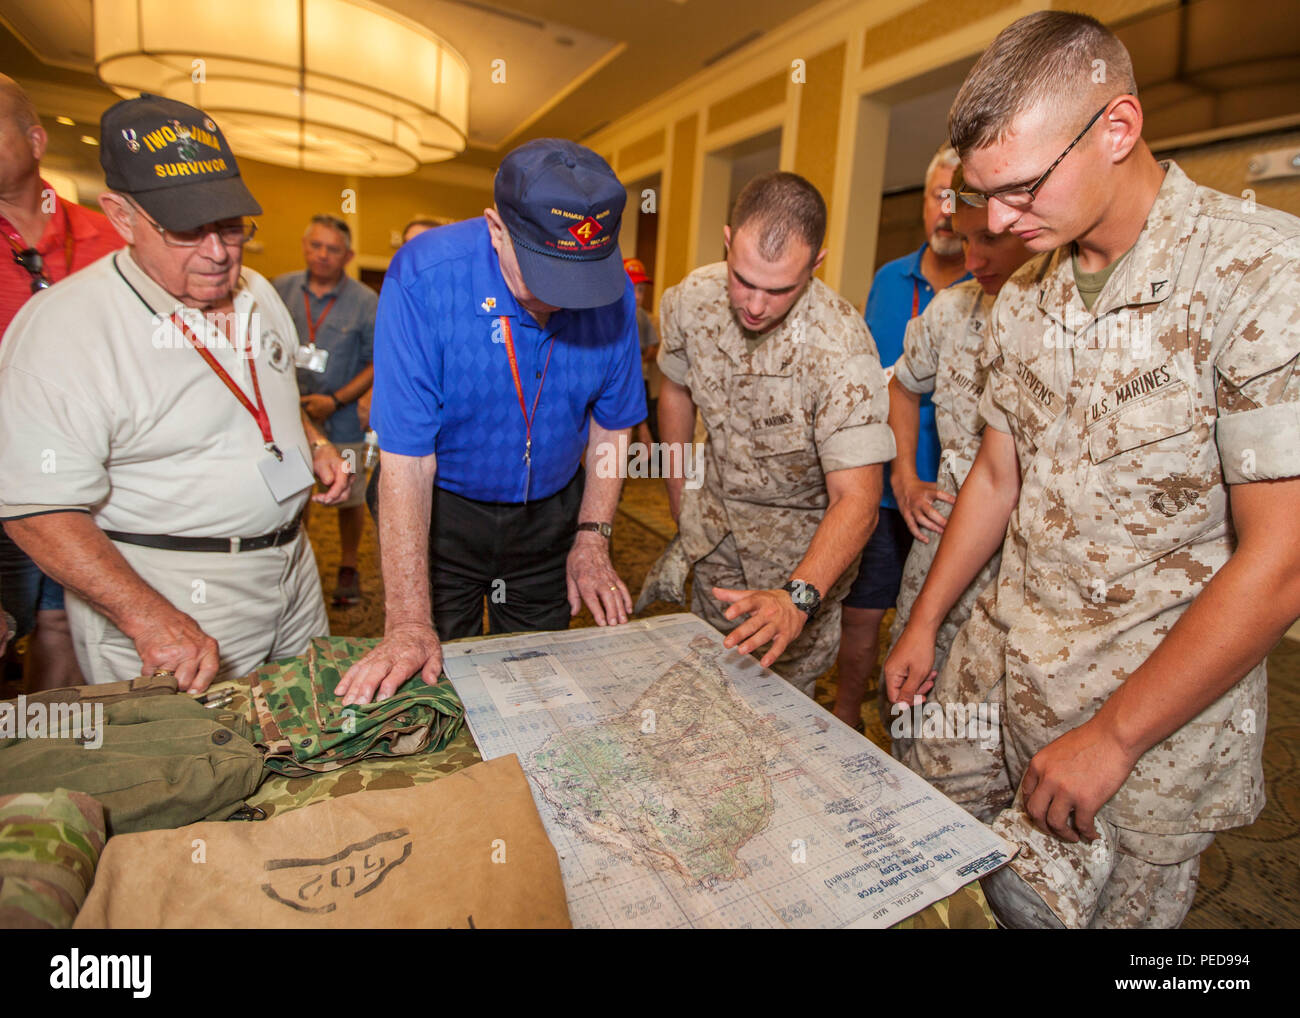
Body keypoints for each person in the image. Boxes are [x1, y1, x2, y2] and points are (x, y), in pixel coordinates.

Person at [884, 10, 1300, 928]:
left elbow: (1282, 565)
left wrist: (1114, 736)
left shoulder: (1261, 276)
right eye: (982, 194)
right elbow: (999, 475)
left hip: (1143, 732)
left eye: (1021, 188)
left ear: (1117, 129)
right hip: (995, 680)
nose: (994, 221)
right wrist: (924, 621)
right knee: (941, 888)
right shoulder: (1024, 287)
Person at [0, 94, 351, 692]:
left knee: (309, 728)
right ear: (121, 216)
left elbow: (273, 391)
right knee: (198, 771)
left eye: (232, 226)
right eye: (187, 230)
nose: (218, 253)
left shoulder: (259, 291)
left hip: (293, 570)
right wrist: (149, 617)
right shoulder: (63, 330)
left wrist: (312, 441)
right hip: (175, 595)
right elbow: (37, 509)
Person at [334, 139, 646, 707]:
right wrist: (406, 622)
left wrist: (592, 535)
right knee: (439, 679)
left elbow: (613, 424)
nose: (565, 302)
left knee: (535, 678)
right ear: (496, 228)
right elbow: (407, 456)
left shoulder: (613, 292)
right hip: (442, 514)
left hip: (549, 517)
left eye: (580, 280)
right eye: (546, 276)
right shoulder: (424, 278)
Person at [648, 171, 893, 698]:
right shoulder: (690, 299)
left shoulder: (842, 350)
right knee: (705, 683)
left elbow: (859, 500)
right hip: (713, 537)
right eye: (743, 279)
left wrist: (797, 598)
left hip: (798, 565)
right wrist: (680, 496)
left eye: (779, 288)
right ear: (728, 240)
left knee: (776, 710)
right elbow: (675, 390)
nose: (755, 304)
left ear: (817, 264)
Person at [884, 163, 1032, 760]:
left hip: (1025, 569)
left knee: (994, 737)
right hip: (941, 547)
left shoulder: (1066, 315)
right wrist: (905, 478)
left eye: (989, 239)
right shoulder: (951, 310)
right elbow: (900, 385)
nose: (972, 258)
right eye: (965, 239)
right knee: (909, 709)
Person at [833, 144, 970, 728]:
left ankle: (913, 731)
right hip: (887, 493)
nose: (946, 211)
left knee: (937, 621)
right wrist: (896, 476)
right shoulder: (890, 281)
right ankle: (844, 714)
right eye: (937, 197)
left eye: (957, 199)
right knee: (862, 614)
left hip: (960, 502)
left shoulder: (991, 283)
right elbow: (874, 380)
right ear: (921, 203)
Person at [0, 73, 124, 691]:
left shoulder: (107, 237)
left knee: (62, 623)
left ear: (36, 138)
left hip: (91, 479)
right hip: (3, 477)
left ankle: (50, 774)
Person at [274, 214, 378, 607]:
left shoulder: (366, 302)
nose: (322, 254)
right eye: (316, 245)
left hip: (344, 416)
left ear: (347, 255)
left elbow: (375, 362)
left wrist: (335, 400)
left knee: (347, 495)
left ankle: (348, 565)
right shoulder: (278, 289)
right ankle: (291, 565)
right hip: (287, 419)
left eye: (333, 249)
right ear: (305, 246)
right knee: (289, 492)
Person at [624, 257, 659, 446]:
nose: (637, 296)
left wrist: (639, 361)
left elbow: (653, 346)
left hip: (637, 378)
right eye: (632, 287)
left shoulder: (642, 317)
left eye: (641, 290)